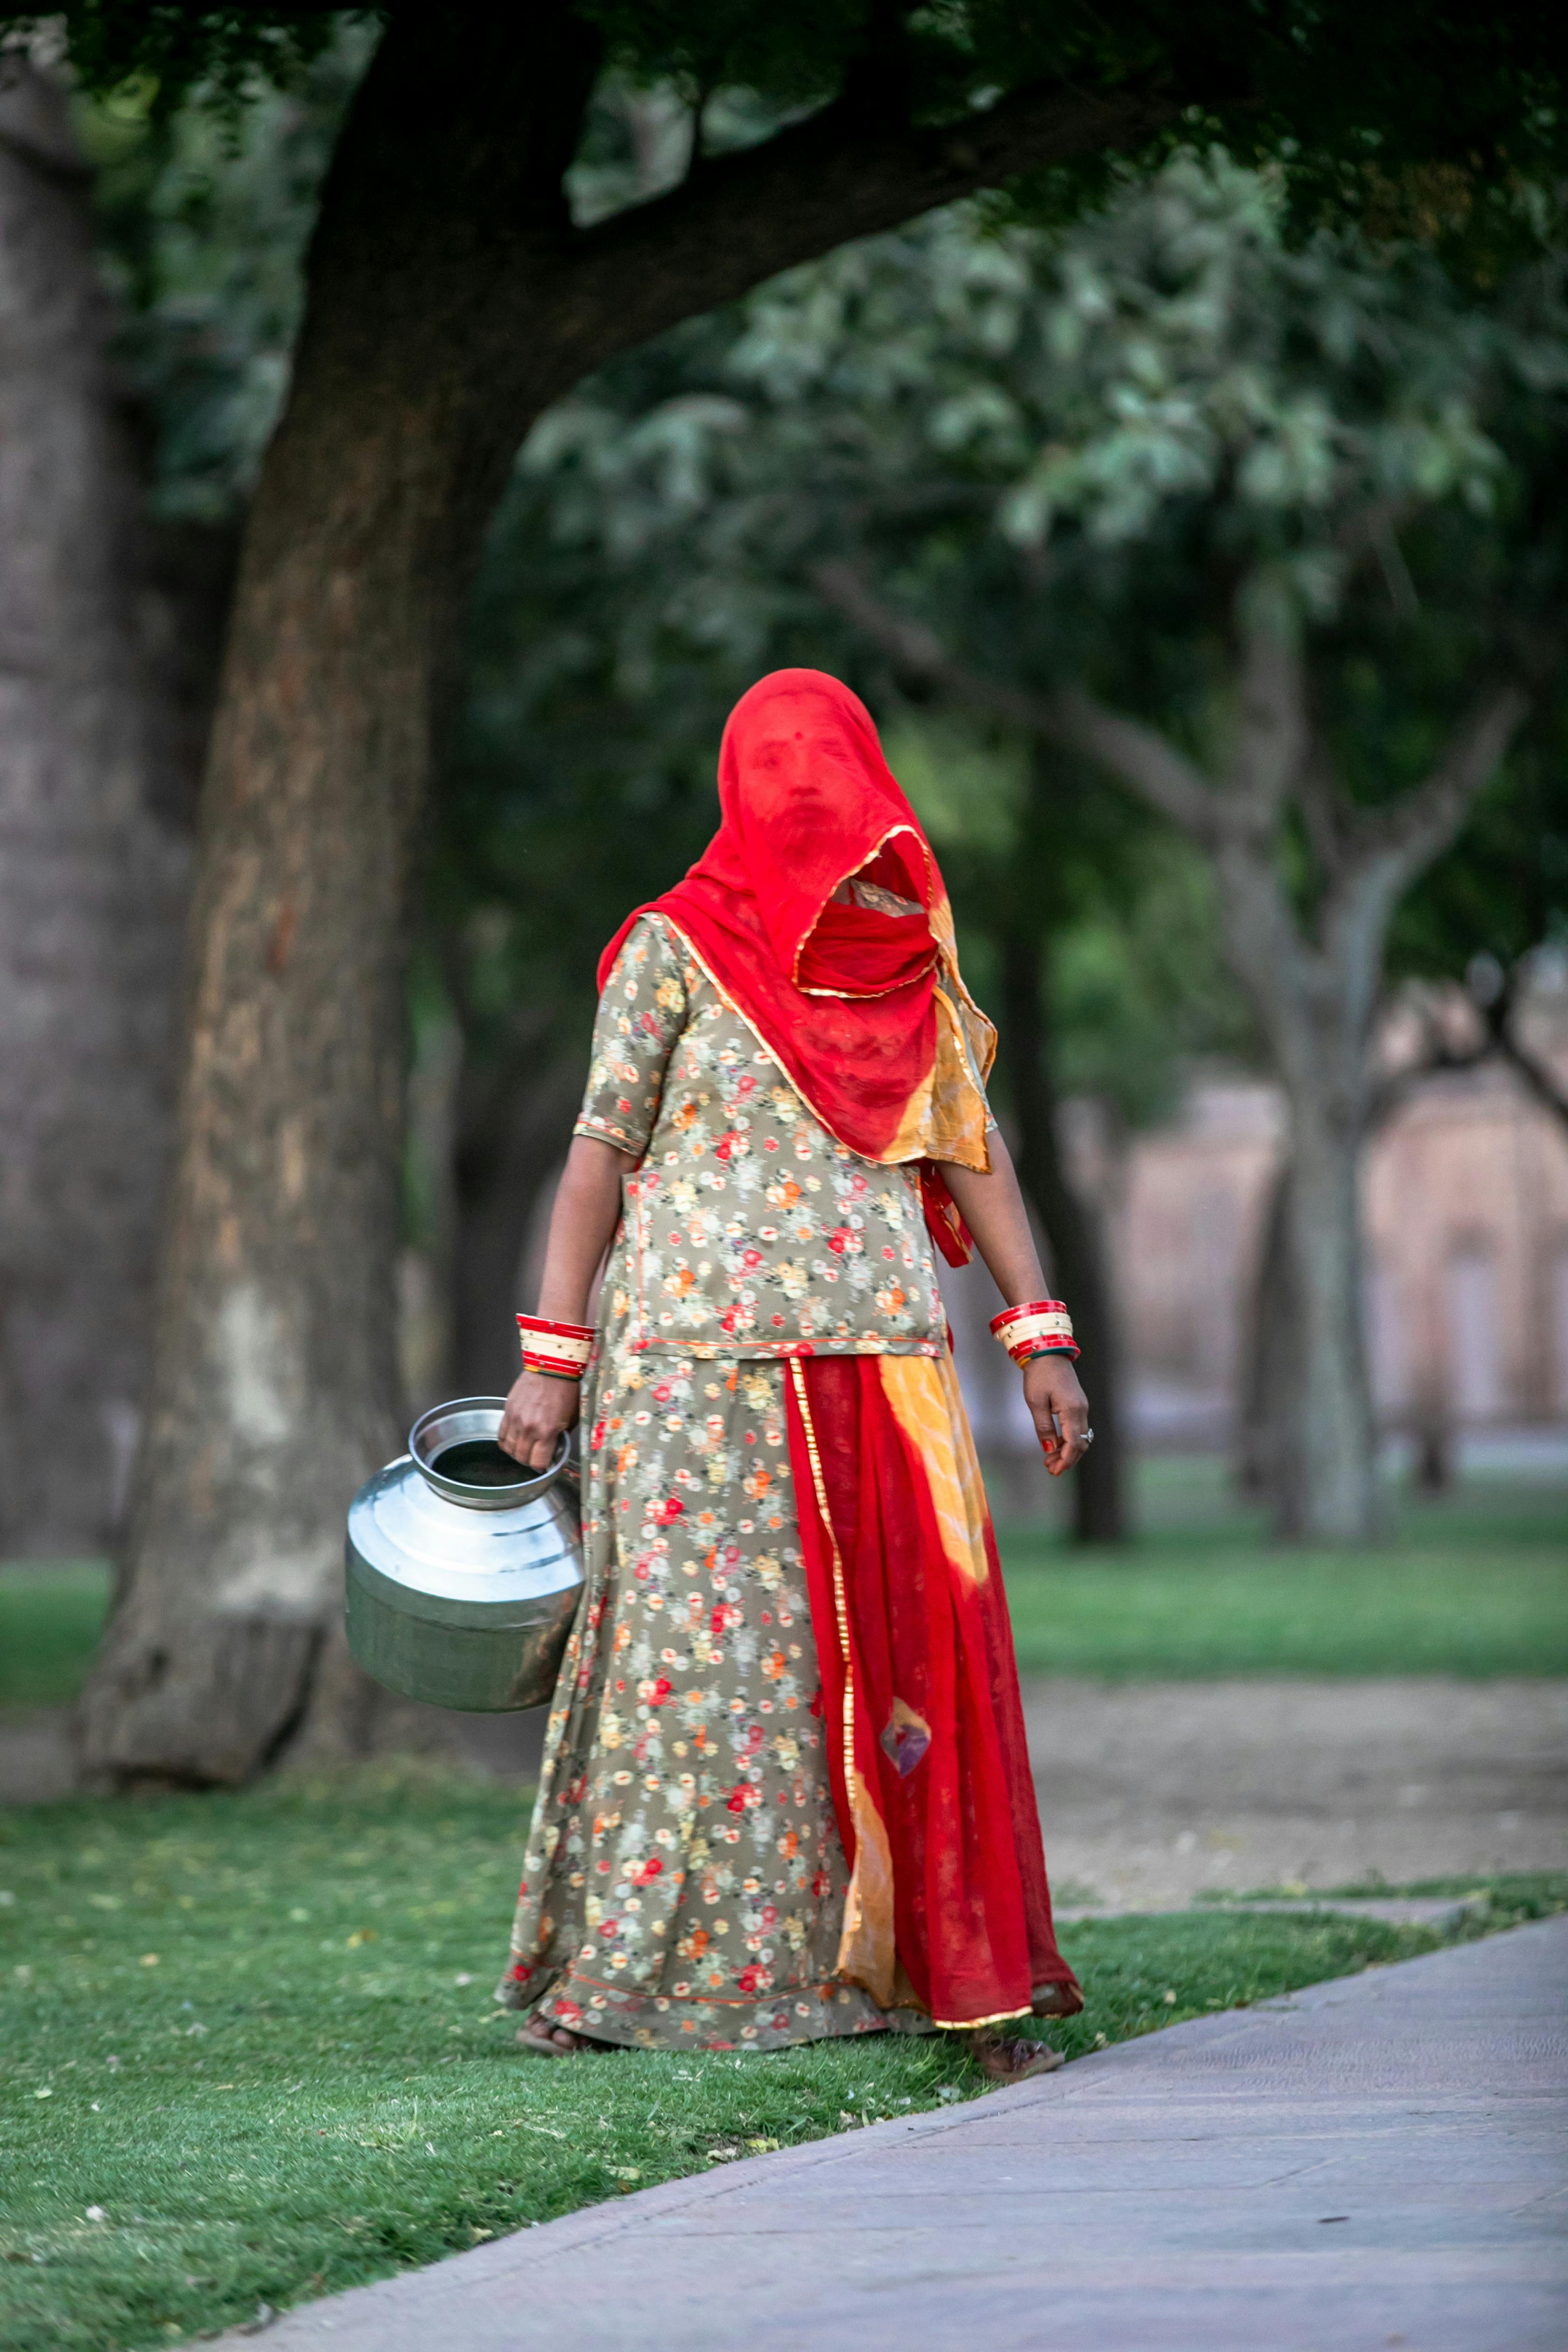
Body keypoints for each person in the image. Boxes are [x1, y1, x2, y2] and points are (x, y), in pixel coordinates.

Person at [495, 669, 1090, 2080]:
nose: (807, 797)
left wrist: (1040, 1331)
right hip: (688, 1369)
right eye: (780, 768)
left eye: (830, 768)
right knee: (693, 1673)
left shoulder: (907, 959)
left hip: (883, 1351)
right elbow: (600, 1155)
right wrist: (550, 1359)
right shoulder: (674, 947)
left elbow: (970, 1149)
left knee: (918, 1655)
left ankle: (936, 1974)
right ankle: (634, 1982)